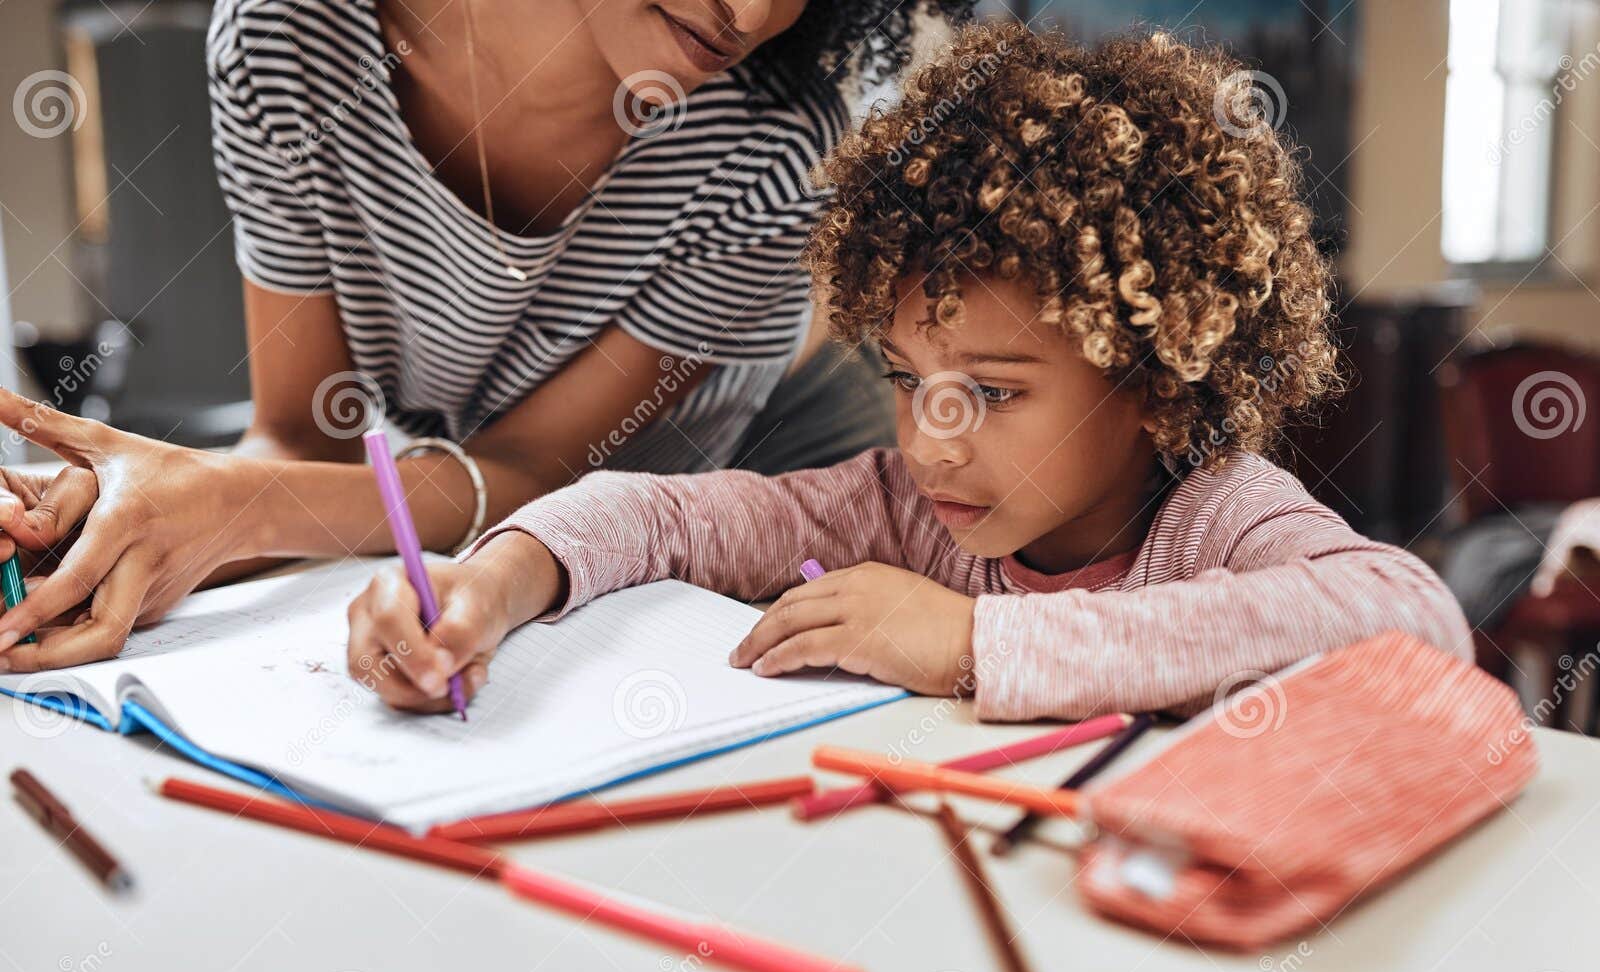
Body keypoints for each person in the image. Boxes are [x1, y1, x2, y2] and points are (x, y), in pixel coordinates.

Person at [346, 23, 1472, 719]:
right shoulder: (895, 511)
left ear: (1156, 384)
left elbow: (1412, 624)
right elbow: (663, 517)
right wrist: (495, 582)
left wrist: (972, 644)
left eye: (991, 390)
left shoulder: (1218, 519)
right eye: (901, 375)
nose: (930, 440)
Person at [0, 0, 972, 672]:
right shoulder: (286, 38)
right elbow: (303, 444)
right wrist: (131, 521)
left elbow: (545, 468)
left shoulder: (772, 144)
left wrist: (237, 503)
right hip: (475, 509)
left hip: (756, 479)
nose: (754, 14)